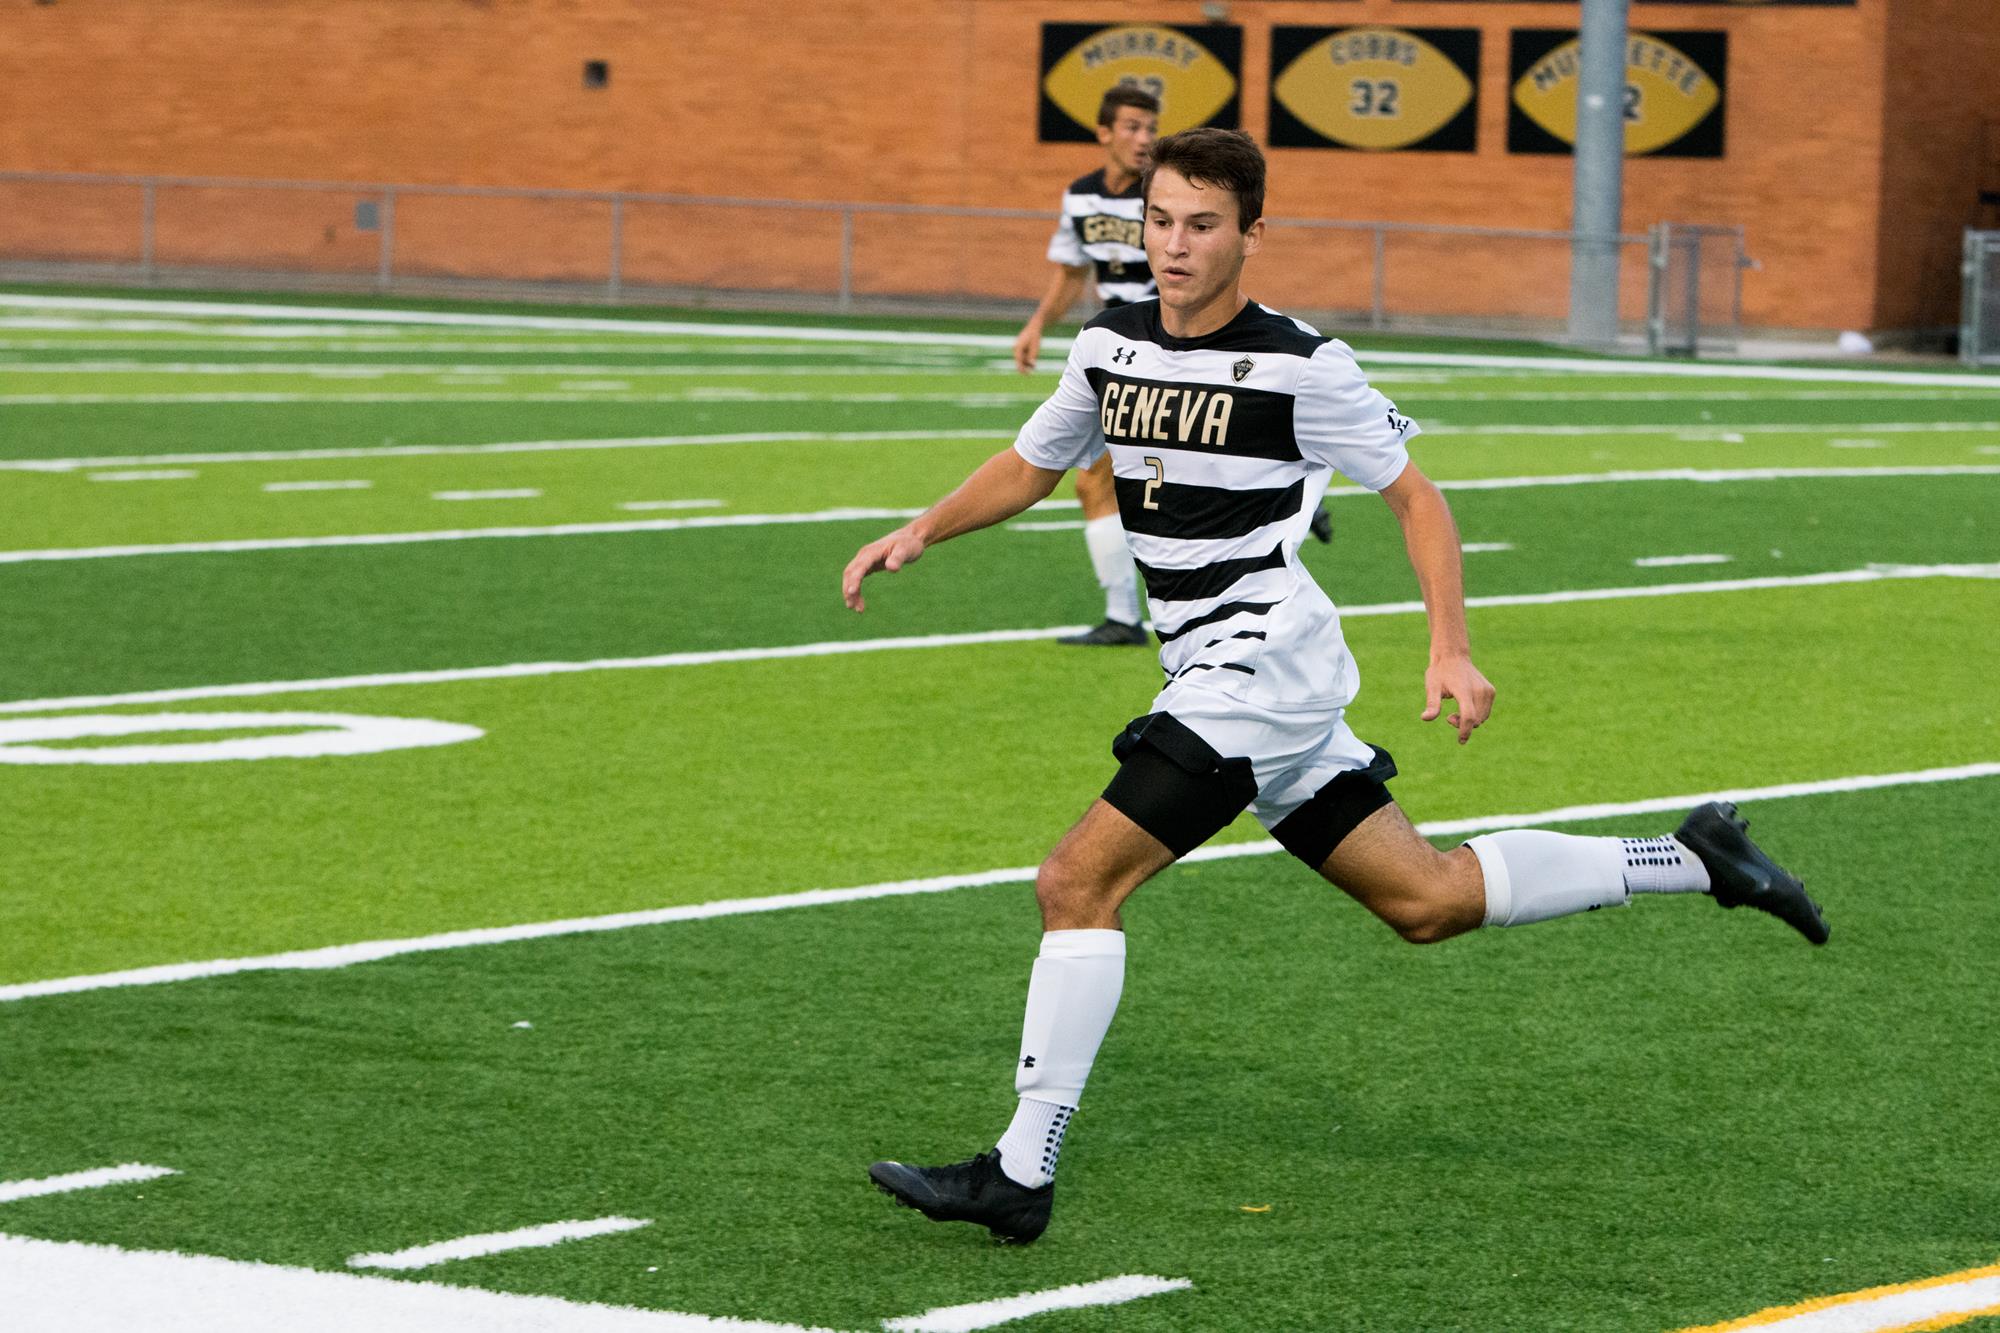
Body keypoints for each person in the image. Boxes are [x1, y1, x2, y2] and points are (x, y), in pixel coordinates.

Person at [843, 128, 1827, 1246]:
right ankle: (1694, 859)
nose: (1173, 246)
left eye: (1201, 226)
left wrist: (1447, 648)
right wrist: (922, 528)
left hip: (1255, 665)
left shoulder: (1304, 364)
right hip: (1242, 678)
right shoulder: (1108, 343)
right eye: (1159, 221)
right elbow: (1031, 463)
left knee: (1074, 883)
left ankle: (1019, 1171)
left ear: (1251, 235)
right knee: (1426, 901)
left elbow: (1417, 499)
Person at [1012, 87, 1329, 648]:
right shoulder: (1081, 197)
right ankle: (1282, 484)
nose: (1142, 138)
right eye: (1131, 127)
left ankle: (1124, 615)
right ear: (1103, 133)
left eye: (1149, 127)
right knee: (1101, 482)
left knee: (1105, 481)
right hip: (1121, 352)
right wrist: (1037, 325)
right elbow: (1070, 272)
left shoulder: (1174, 193)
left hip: (1177, 346)